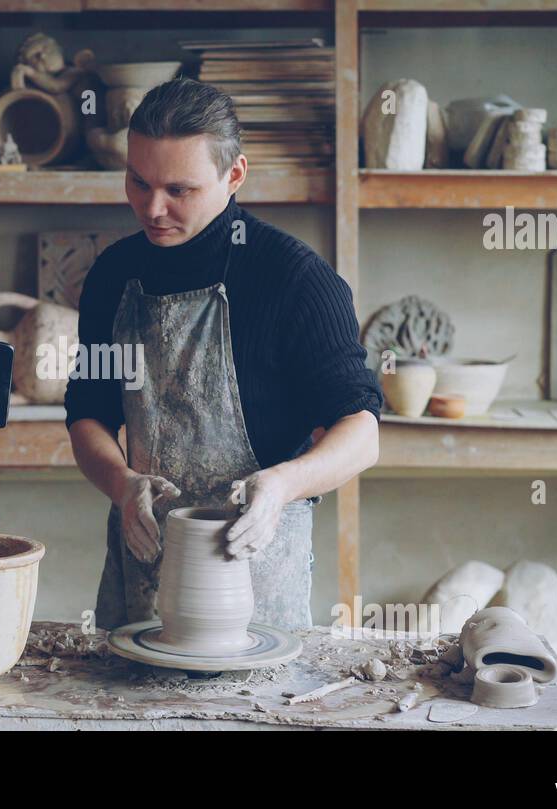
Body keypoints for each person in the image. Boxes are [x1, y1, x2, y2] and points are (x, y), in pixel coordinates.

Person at [65, 78, 382, 633]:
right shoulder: (114, 275)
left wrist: (282, 485)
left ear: (234, 175)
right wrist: (121, 483)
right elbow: (88, 414)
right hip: (143, 570)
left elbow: (362, 431)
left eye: (179, 190)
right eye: (138, 182)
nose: (153, 207)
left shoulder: (295, 279)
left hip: (252, 576)